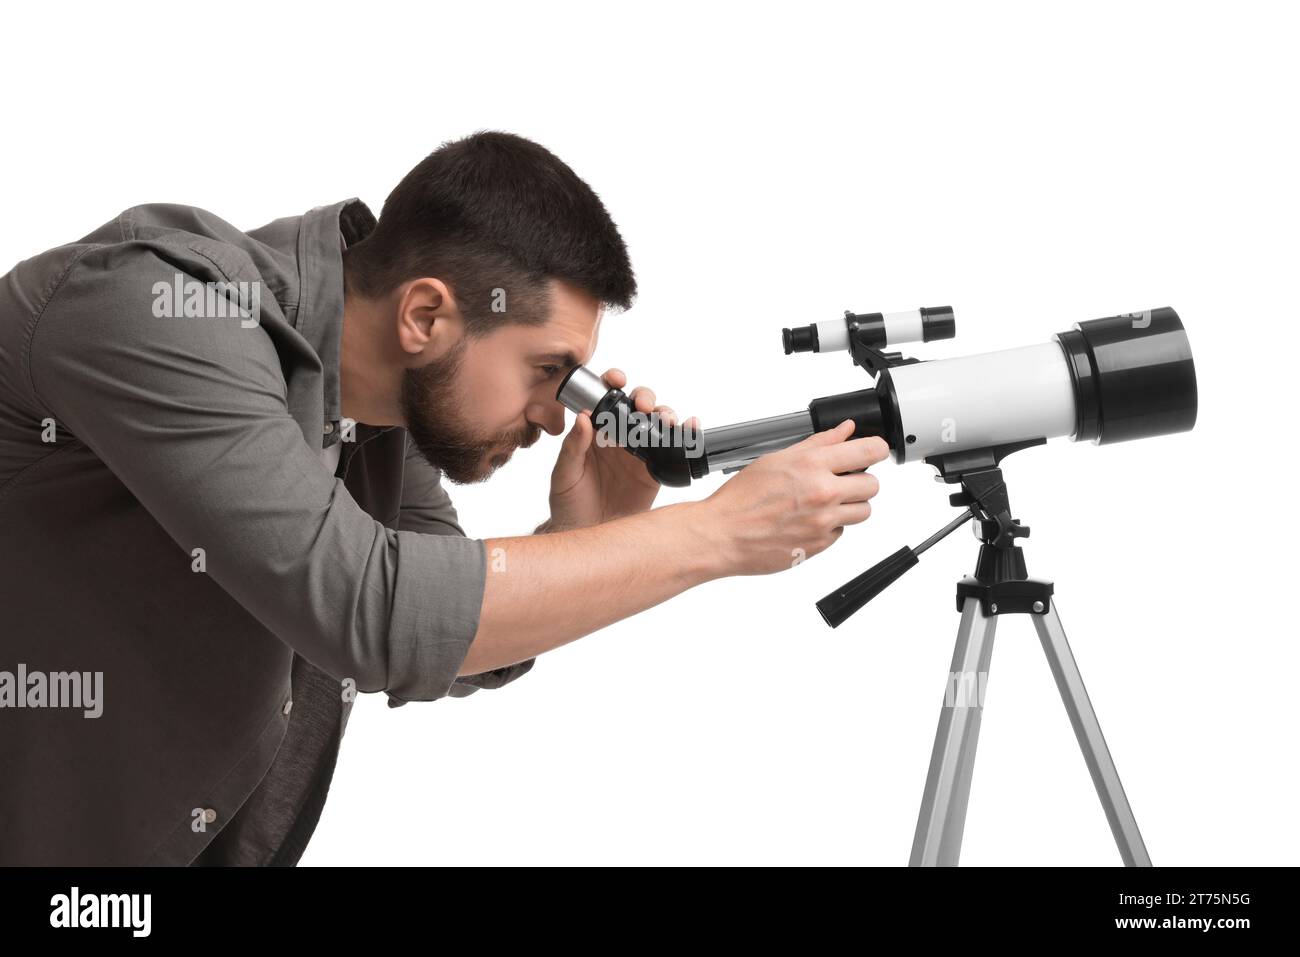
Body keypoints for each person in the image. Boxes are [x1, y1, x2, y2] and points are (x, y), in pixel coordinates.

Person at [0, 131, 886, 865]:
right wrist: (718, 535)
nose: (551, 413)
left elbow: (447, 632)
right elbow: (372, 612)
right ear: (426, 315)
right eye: (548, 372)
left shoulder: (378, 410)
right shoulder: (159, 310)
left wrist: (584, 531)